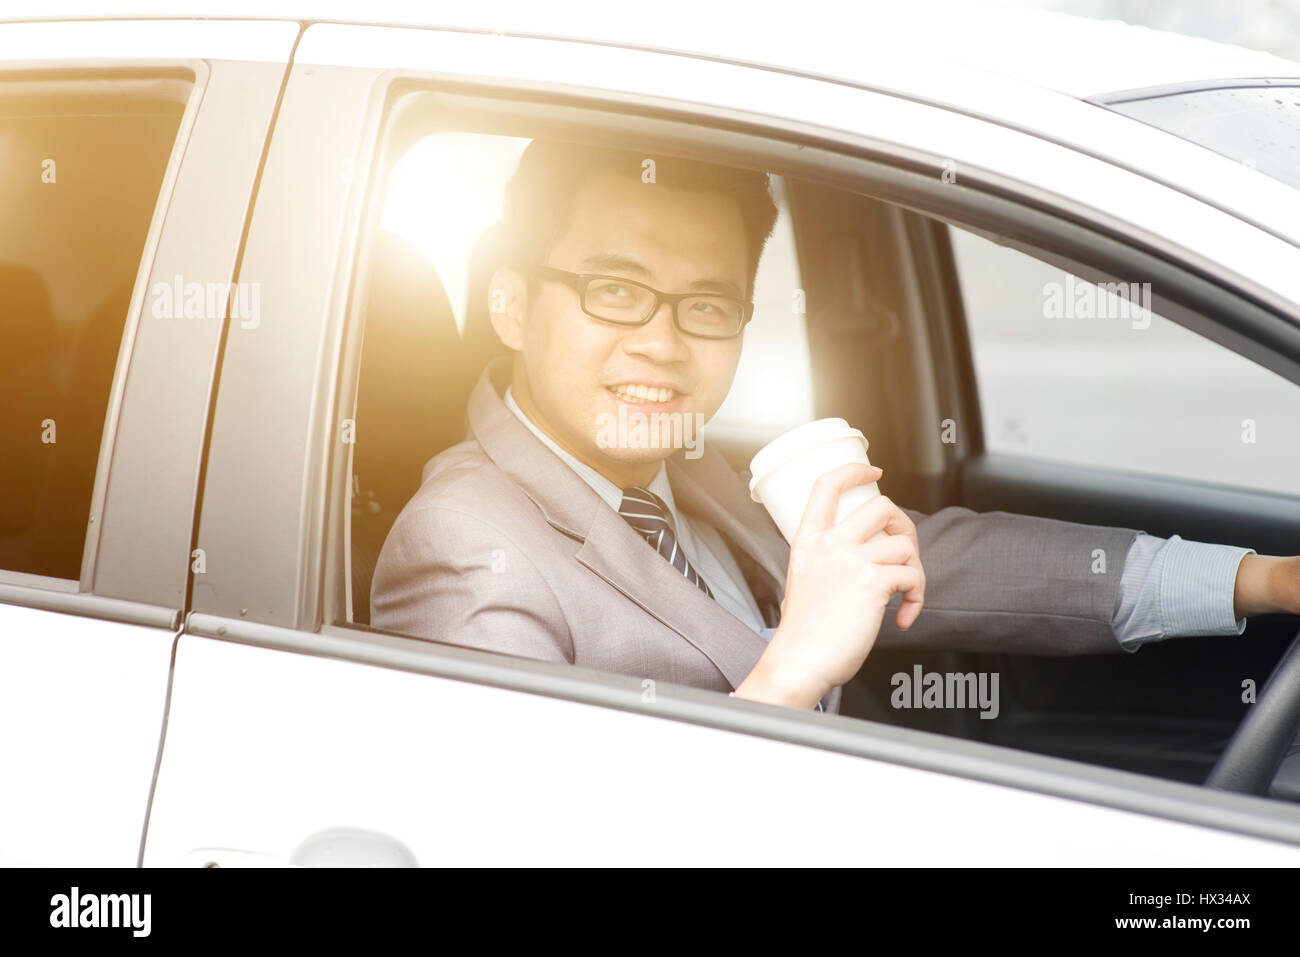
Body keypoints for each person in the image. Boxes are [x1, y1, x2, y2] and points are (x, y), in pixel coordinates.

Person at [371, 139, 1300, 713]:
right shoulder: (461, 546)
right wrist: (791, 671)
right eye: (615, 291)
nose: (661, 343)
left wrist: (1256, 580)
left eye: (707, 305)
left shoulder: (683, 477)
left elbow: (934, 561)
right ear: (511, 306)